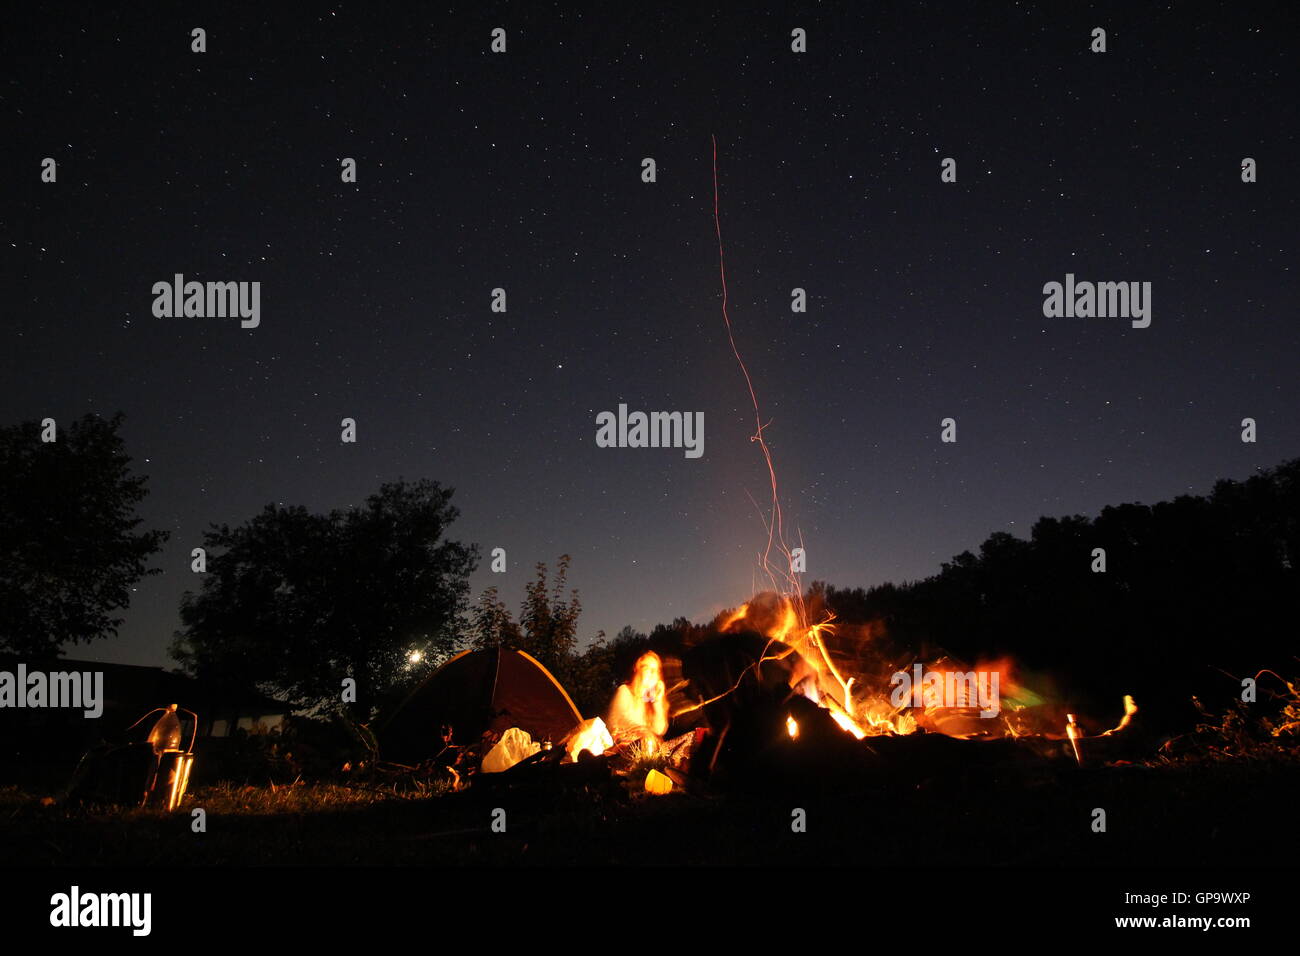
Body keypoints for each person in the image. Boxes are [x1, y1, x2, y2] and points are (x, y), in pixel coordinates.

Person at [606, 651, 669, 753]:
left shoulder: (651, 701)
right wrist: (645, 732)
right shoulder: (624, 691)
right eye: (647, 668)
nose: (652, 673)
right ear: (637, 668)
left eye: (655, 670)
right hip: (623, 749)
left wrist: (657, 702)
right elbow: (614, 725)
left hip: (648, 750)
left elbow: (659, 730)